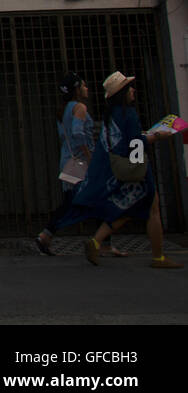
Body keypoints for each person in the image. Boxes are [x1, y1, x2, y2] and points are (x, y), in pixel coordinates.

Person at [56, 71, 181, 269]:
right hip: (132, 165)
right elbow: (133, 142)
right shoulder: (127, 114)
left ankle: (96, 241)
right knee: (152, 207)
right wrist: (155, 138)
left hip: (119, 165)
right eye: (128, 87)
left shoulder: (110, 114)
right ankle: (158, 257)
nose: (133, 90)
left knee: (126, 207)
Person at [35, 72, 93, 255]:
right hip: (80, 162)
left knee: (70, 200)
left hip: (68, 160)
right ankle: (102, 241)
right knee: (86, 199)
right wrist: (90, 156)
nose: (86, 88)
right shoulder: (79, 108)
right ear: (76, 89)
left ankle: (47, 234)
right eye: (83, 85)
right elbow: (78, 134)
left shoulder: (64, 109)